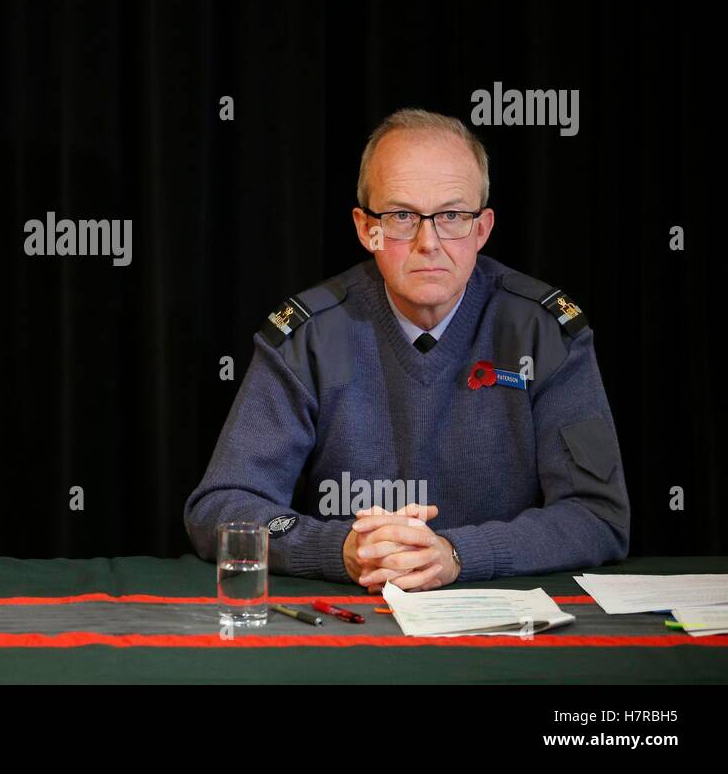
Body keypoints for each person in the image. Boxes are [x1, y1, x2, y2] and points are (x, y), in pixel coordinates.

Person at [184, 109, 628, 591]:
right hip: (349, 621)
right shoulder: (309, 335)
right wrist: (343, 550)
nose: (428, 242)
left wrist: (459, 554)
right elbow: (221, 506)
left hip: (502, 620)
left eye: (452, 216)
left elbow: (597, 515)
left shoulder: (545, 333)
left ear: (482, 228)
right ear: (364, 227)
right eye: (401, 216)